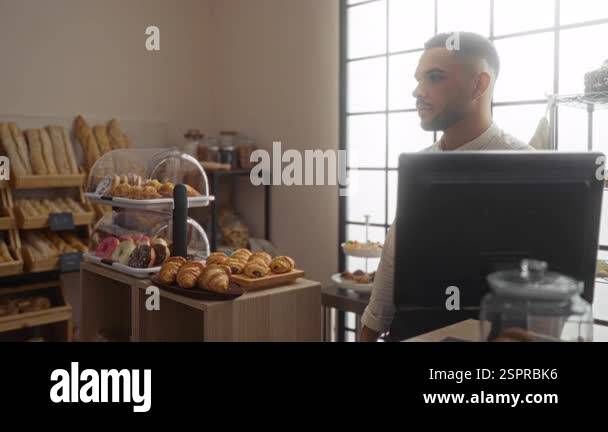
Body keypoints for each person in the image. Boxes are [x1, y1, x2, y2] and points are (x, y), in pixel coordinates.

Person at [359, 32, 534, 342]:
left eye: (434, 78)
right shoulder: (419, 166)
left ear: (479, 85)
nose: (417, 91)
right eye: (418, 79)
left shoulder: (529, 168)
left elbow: (547, 284)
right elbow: (392, 259)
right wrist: (369, 335)